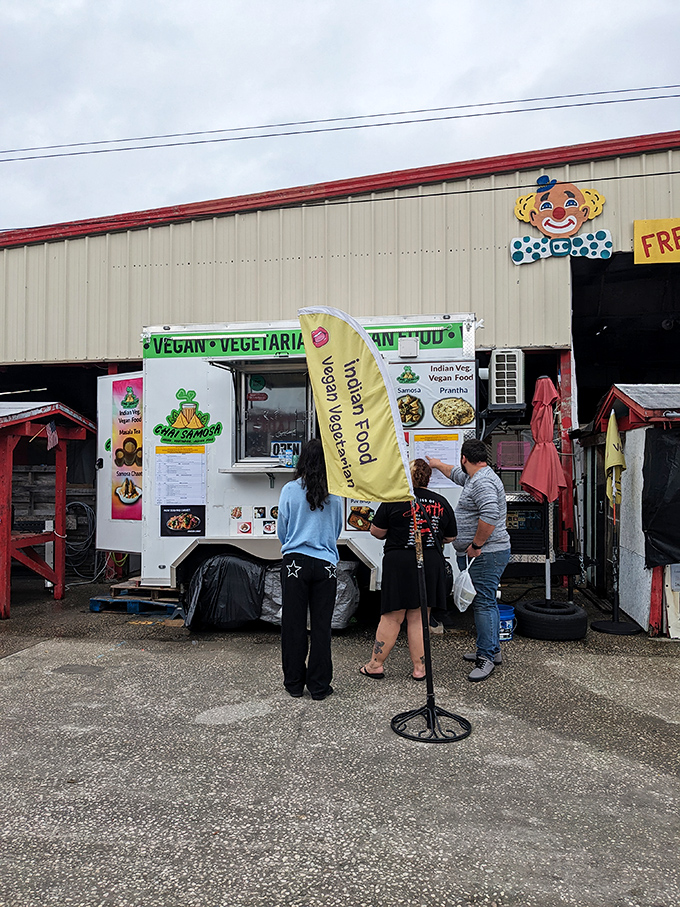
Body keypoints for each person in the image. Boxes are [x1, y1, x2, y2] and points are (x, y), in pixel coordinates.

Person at [360, 459, 456, 681]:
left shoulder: (394, 498)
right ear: (428, 478)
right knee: (420, 617)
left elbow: (376, 531)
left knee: (392, 616)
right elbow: (450, 536)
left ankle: (375, 665)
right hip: (430, 561)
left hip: (399, 562)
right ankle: (420, 669)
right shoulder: (440, 502)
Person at [427, 439, 511, 682]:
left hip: (485, 554)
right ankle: (492, 649)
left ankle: (485, 658)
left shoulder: (482, 482)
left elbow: (490, 515)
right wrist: (437, 464)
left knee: (484, 603)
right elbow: (456, 474)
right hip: (484, 553)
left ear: (464, 458)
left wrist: (476, 545)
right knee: (487, 601)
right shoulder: (476, 476)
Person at [277, 438, 343, 701]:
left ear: (302, 460)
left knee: (293, 624)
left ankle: (294, 683)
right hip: (325, 564)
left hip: (295, 562)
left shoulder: (289, 490)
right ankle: (319, 686)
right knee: (321, 627)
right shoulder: (335, 493)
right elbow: (336, 530)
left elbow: (282, 528)